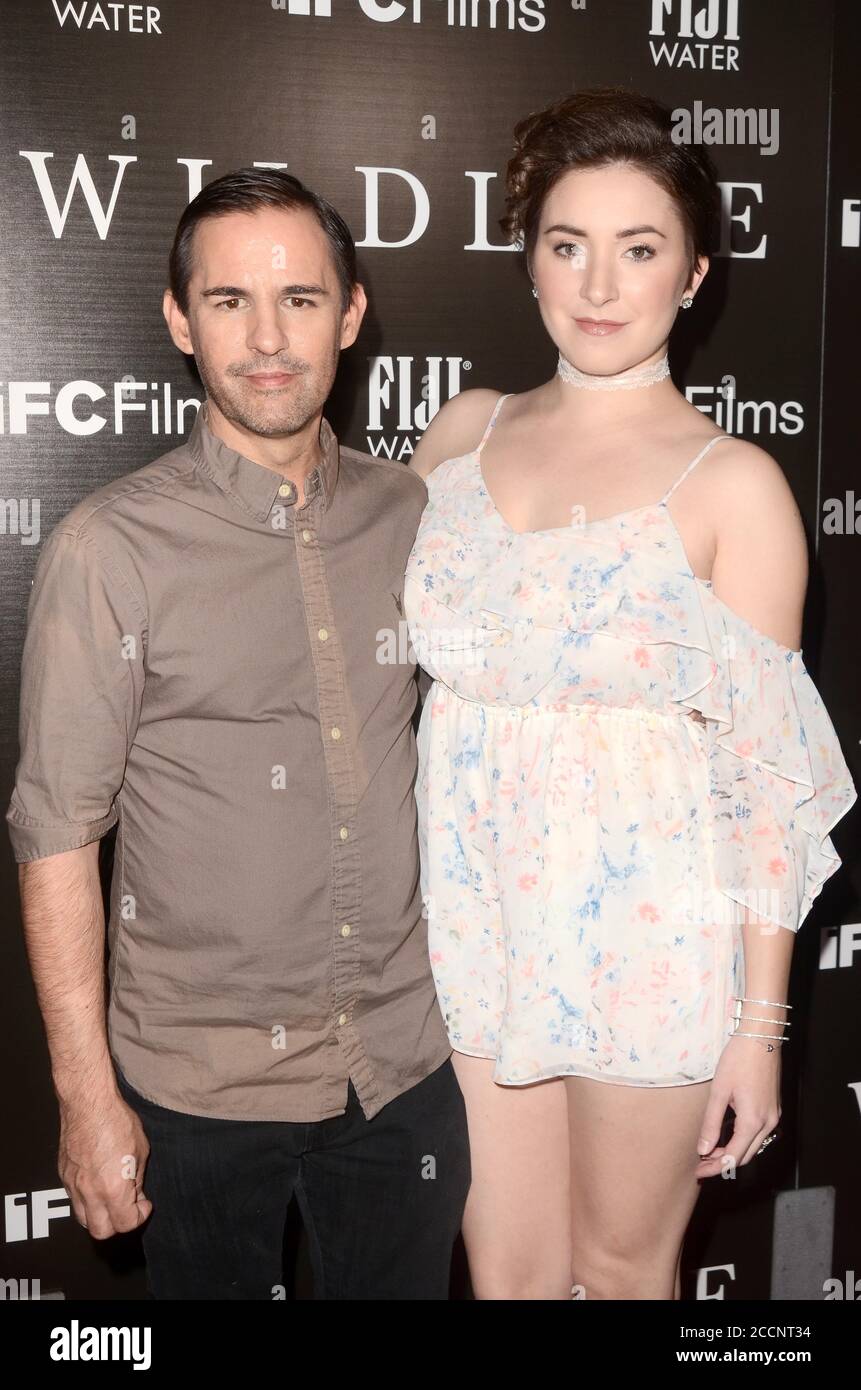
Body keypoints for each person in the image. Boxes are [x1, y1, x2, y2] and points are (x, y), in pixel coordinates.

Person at [404, 87, 857, 1301]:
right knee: (505, 1271)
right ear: (531, 263)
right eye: (568, 245)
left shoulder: (735, 485)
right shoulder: (455, 438)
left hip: (649, 939)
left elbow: (768, 783)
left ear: (694, 272)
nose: (600, 283)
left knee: (617, 1270)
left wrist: (760, 1030)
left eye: (640, 248)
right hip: (474, 928)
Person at [6, 167, 470, 1300]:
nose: (269, 338)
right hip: (196, 1096)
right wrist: (85, 1096)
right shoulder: (108, 550)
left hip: (402, 1073)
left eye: (302, 299)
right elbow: (57, 832)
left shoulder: (417, 517)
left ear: (351, 312)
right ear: (178, 318)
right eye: (228, 301)